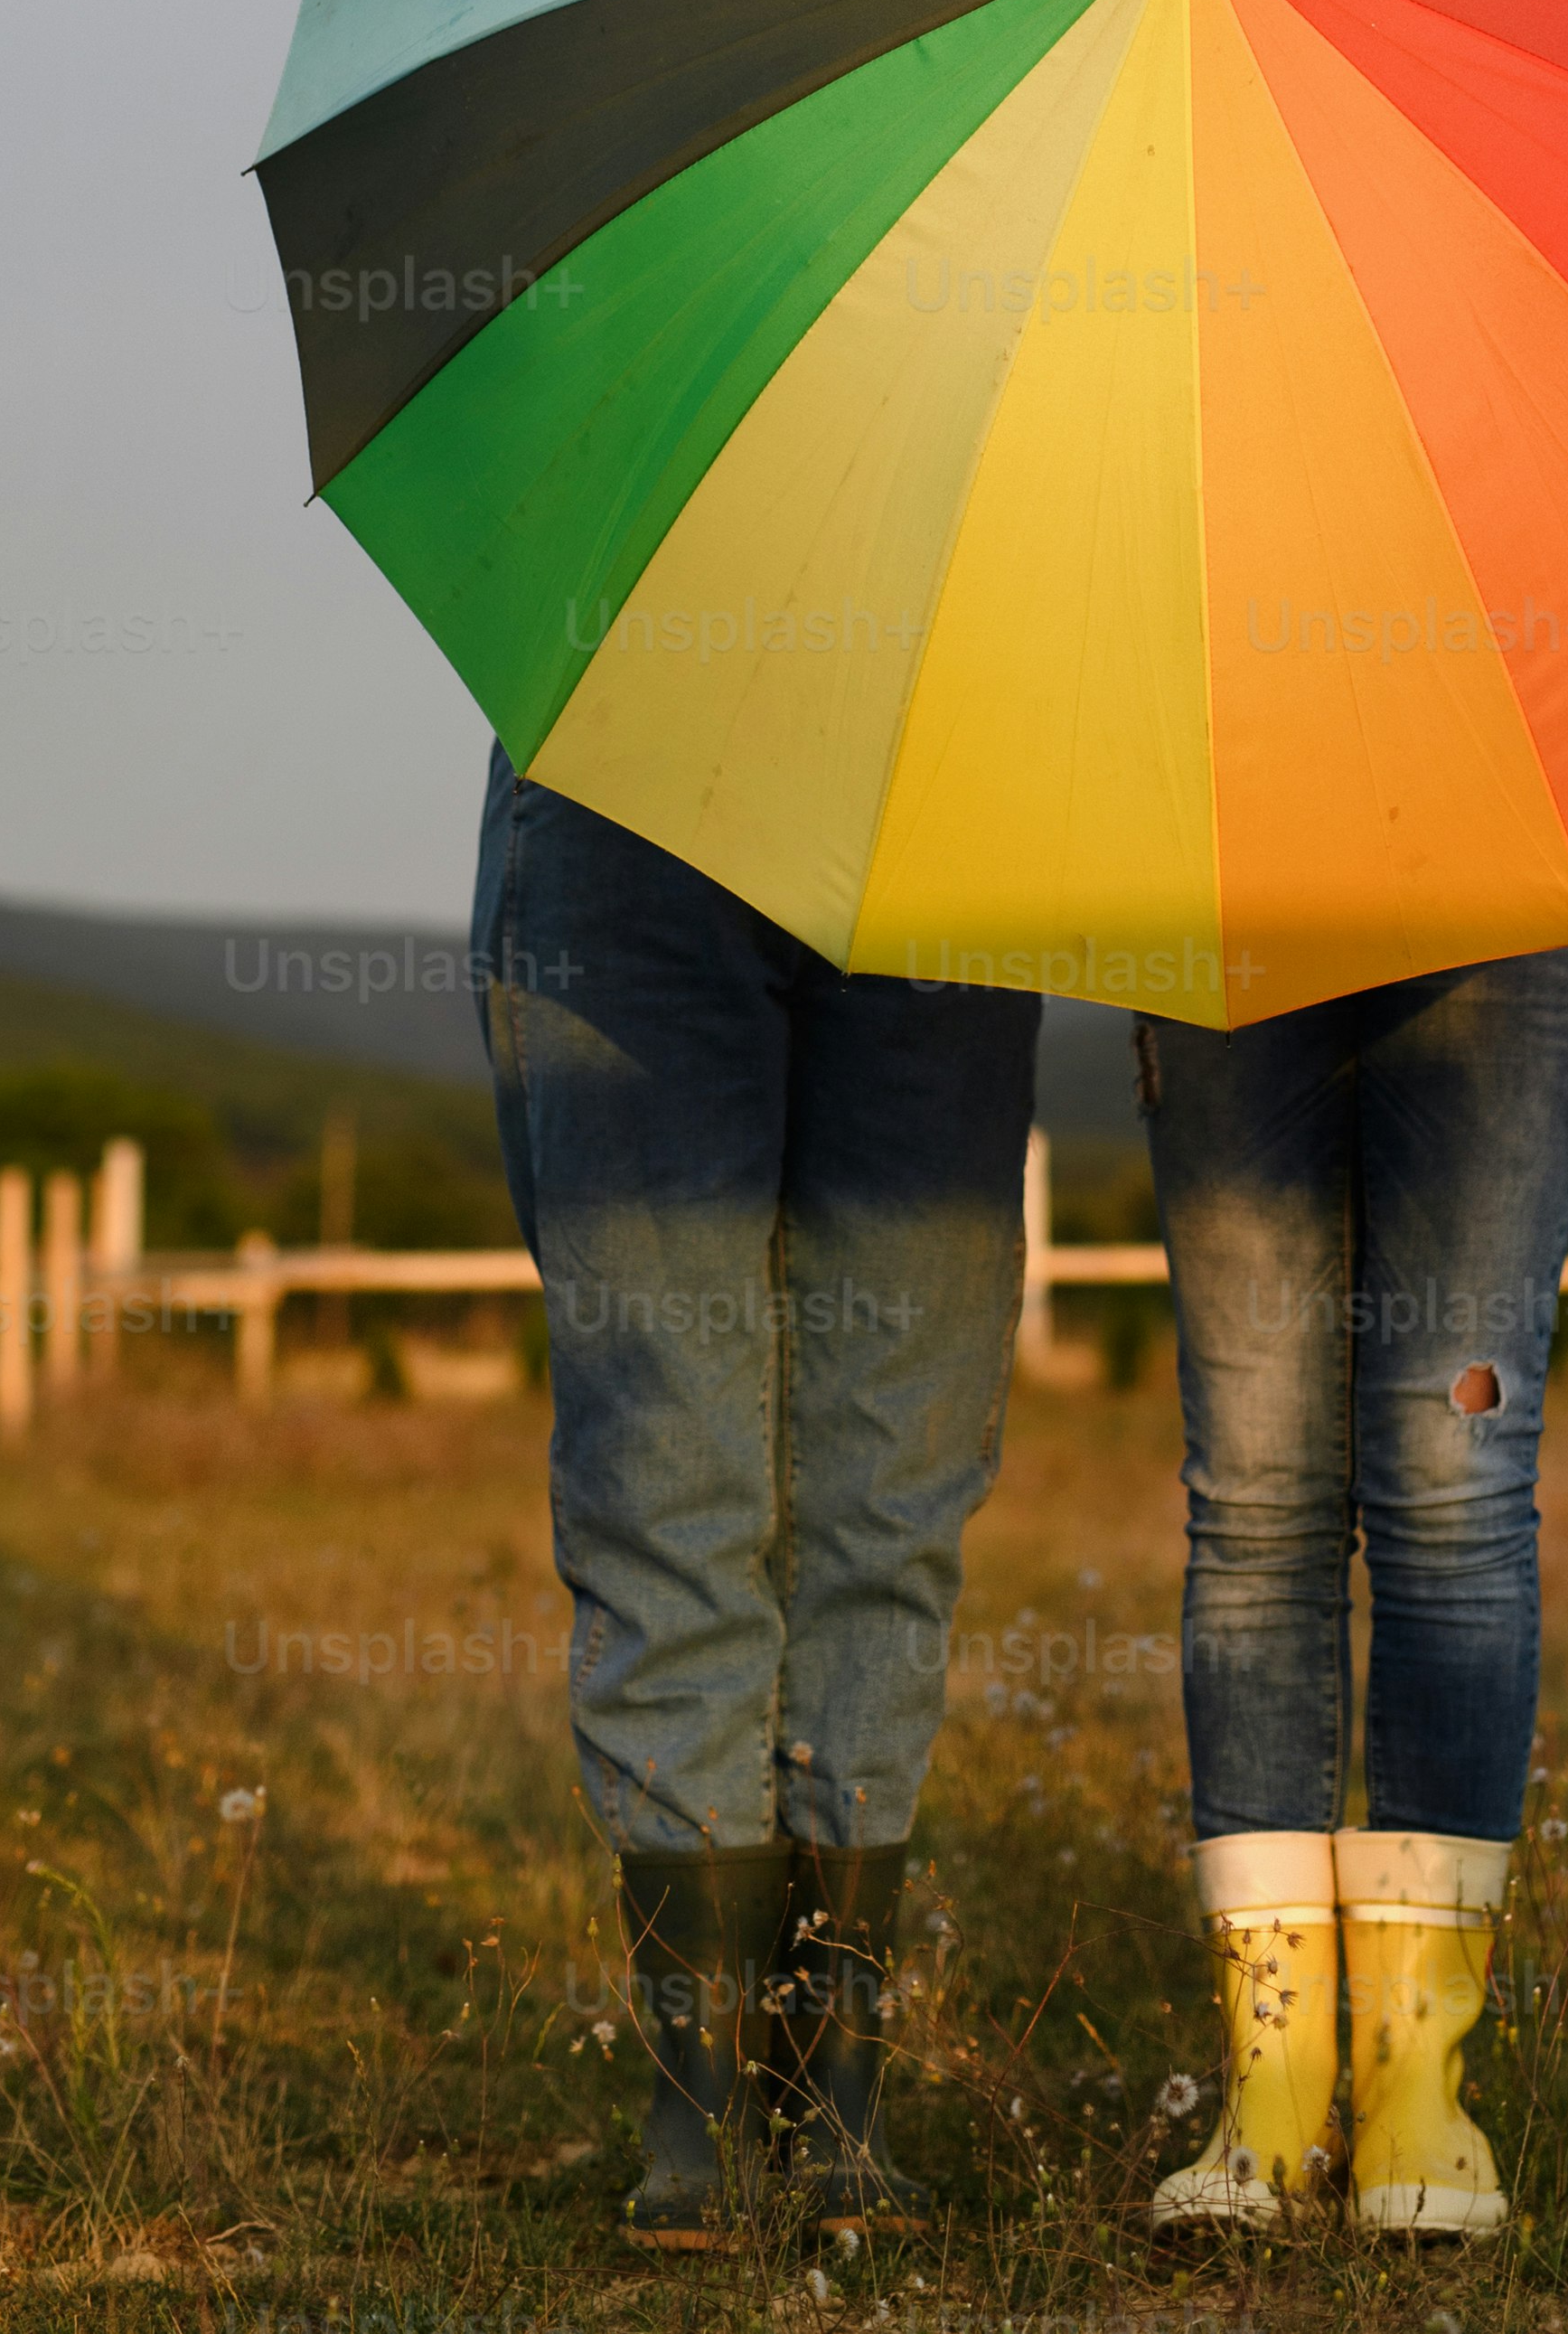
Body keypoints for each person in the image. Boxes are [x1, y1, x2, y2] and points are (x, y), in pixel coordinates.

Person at [472, 747, 1040, 2245]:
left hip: (953, 801)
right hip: (634, 781)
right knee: (667, 1462)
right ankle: (703, 2097)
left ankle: (835, 2088)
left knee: (898, 1473)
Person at [1135, 935, 1568, 2237]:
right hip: (1228, 906)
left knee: (1452, 1488)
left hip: (1498, 913)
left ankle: (1419, 2097)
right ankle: (1276, 2093)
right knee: (1253, 1495)